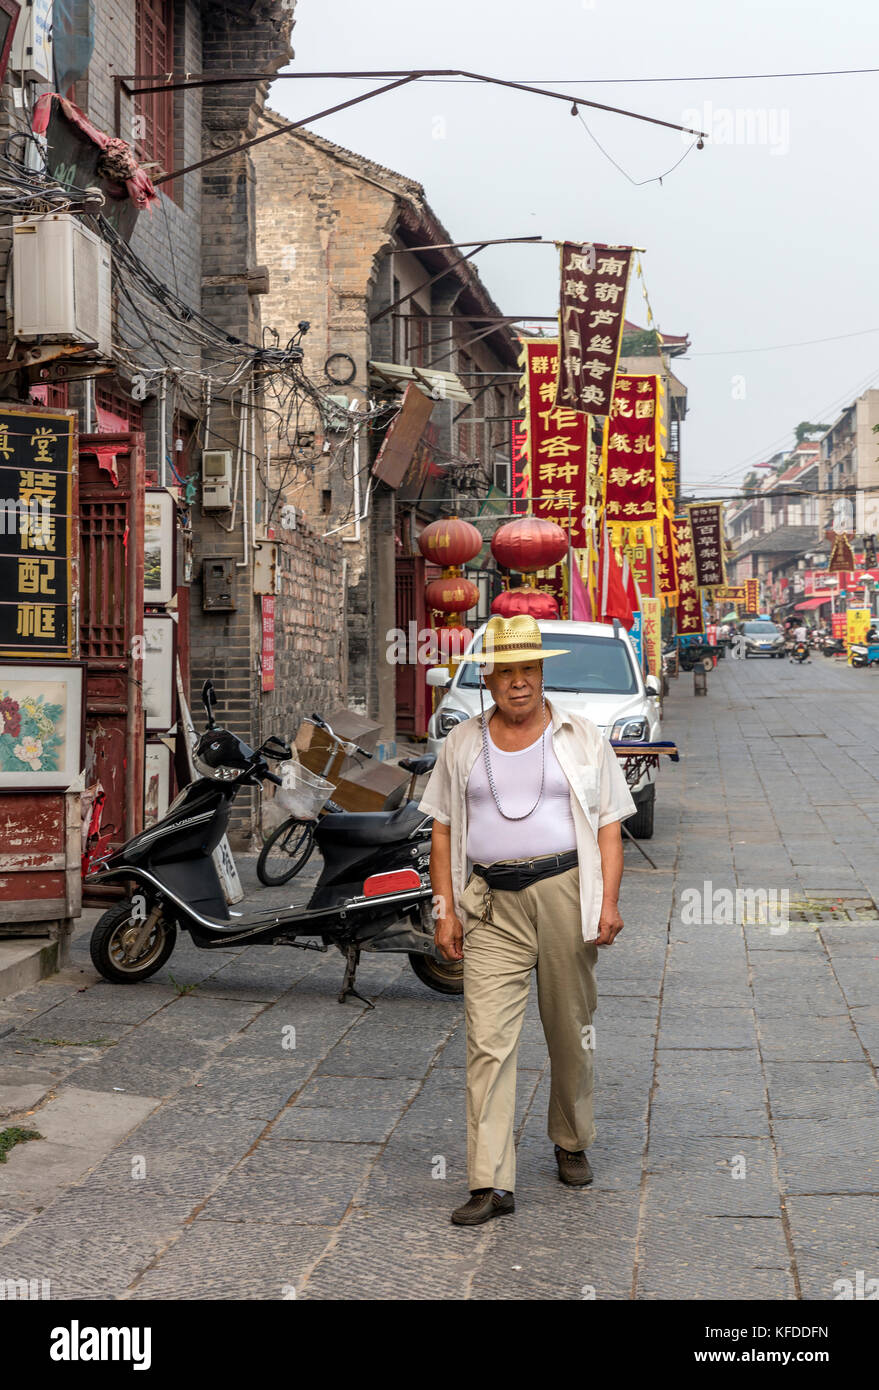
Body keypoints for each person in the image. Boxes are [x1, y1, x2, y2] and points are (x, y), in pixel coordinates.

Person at [419, 614, 636, 1227]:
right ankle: (491, 1181)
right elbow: (439, 831)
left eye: (530, 671)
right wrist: (444, 911)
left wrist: (608, 902)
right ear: (488, 678)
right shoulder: (462, 743)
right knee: (487, 1039)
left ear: (542, 674)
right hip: (490, 903)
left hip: (565, 891)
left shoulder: (580, 735)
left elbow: (609, 824)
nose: (520, 684)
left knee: (569, 1028)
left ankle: (571, 1138)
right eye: (507, 672)